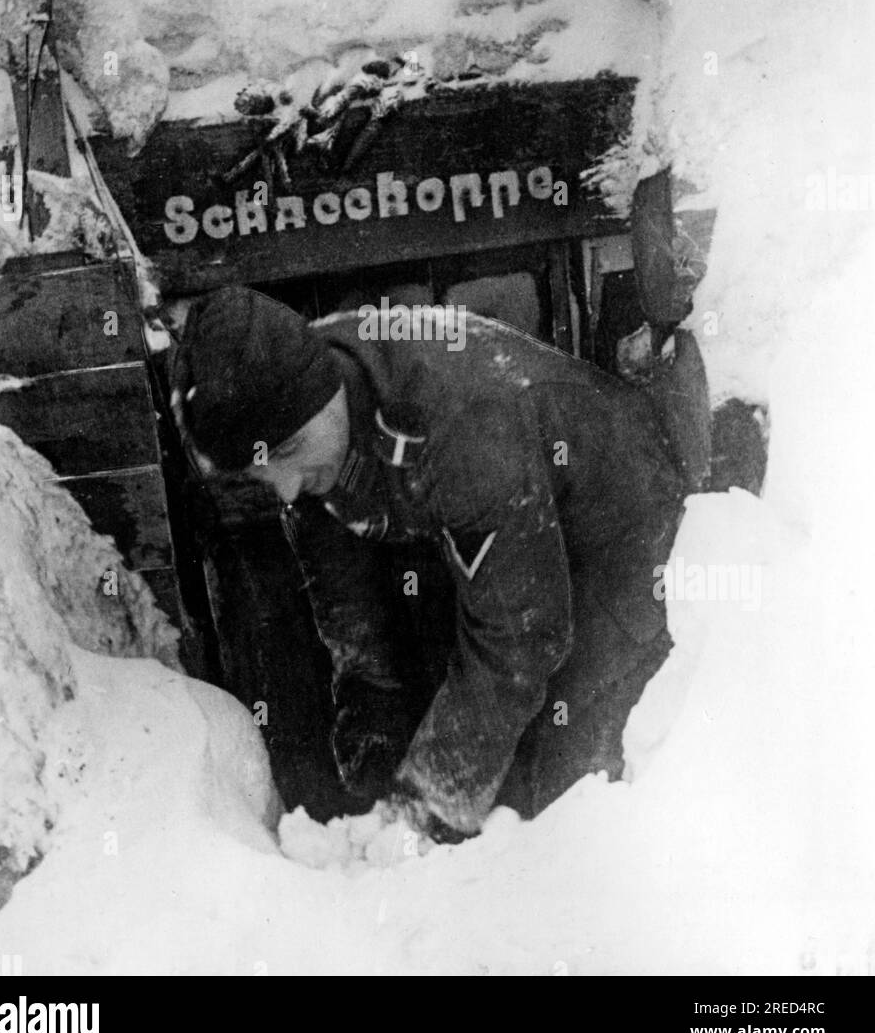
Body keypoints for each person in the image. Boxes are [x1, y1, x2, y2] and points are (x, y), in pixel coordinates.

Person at [170, 284, 697, 842]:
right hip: (512, 542)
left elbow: (522, 635)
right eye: (259, 473)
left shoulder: (464, 417)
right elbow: (352, 618)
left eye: (289, 454)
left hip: (625, 540)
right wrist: (375, 741)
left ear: (326, 397)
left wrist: (425, 810)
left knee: (565, 797)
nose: (284, 488)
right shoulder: (311, 420)